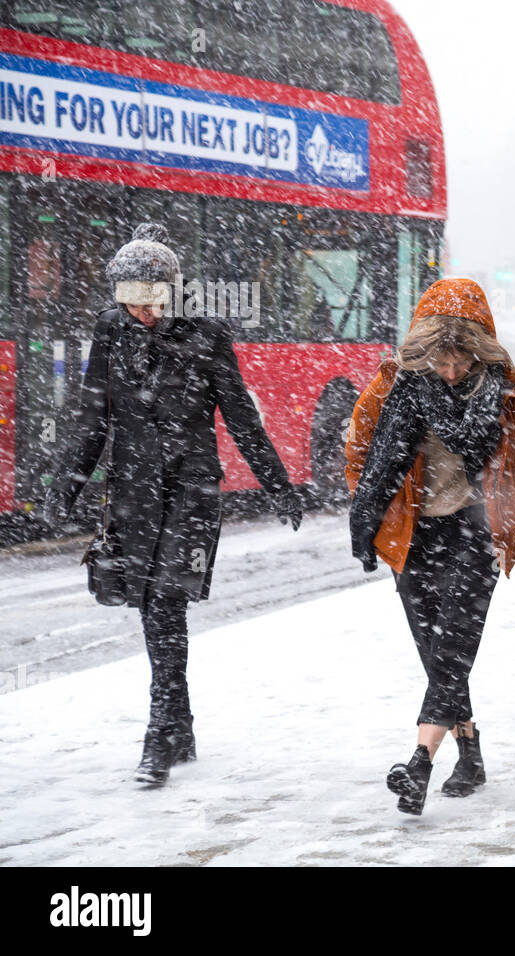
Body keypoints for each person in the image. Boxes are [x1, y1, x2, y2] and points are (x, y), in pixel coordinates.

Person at [43, 223, 303, 786]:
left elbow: (241, 419)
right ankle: (180, 725)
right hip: (134, 493)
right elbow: (93, 418)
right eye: (129, 302)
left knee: (164, 602)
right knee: (150, 607)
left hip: (191, 492)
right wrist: (65, 487)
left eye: (149, 301)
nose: (140, 313)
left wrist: (279, 486)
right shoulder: (110, 331)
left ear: (170, 290)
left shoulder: (207, 336)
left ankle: (159, 733)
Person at [348, 278, 515, 814]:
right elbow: (363, 452)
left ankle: (419, 763)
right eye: (442, 362)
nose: (452, 373)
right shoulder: (395, 388)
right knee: (436, 654)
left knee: (453, 648)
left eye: (463, 363)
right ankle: (471, 753)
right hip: (413, 533)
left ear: (480, 354)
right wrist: (369, 513)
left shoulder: (506, 393)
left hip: (476, 531)